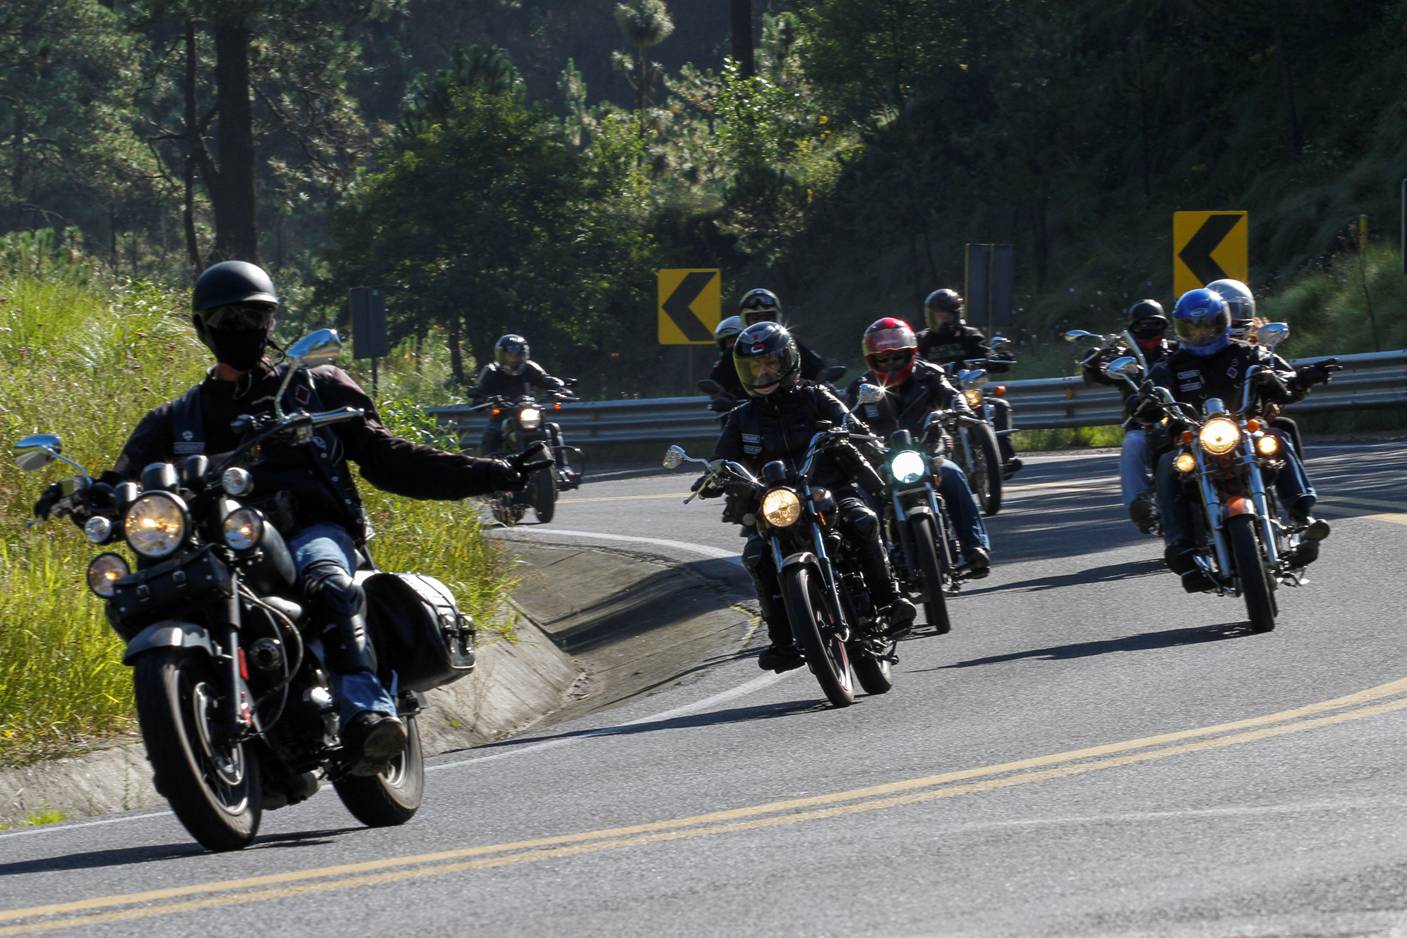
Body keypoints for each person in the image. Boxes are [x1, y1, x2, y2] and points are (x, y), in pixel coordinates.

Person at [34, 261, 538, 772]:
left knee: (329, 584)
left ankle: (368, 712)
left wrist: (493, 472)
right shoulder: (174, 419)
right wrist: (84, 494)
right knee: (140, 592)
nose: (243, 330)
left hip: (307, 531)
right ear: (203, 328)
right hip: (212, 548)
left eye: (255, 317)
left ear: (272, 322)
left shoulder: (314, 388)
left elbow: (392, 460)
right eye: (229, 320)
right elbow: (124, 478)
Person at [706, 321, 916, 671]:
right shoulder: (741, 417)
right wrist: (712, 475)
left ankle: (890, 600)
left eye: (770, 363)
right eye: (755, 367)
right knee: (757, 555)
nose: (763, 373)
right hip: (777, 503)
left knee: (862, 521)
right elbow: (720, 458)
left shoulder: (815, 396)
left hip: (830, 489)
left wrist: (853, 435)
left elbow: (853, 425)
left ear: (788, 361)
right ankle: (783, 642)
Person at [1129, 288, 1330, 591]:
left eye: (1207, 325)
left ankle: (1302, 516)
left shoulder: (1248, 353)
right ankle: (1180, 546)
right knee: (1168, 463)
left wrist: (1299, 378)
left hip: (1244, 432)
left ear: (1221, 323)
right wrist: (1142, 403)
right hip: (1195, 441)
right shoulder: (1170, 366)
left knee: (1275, 436)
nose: (1200, 333)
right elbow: (1148, 396)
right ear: (1180, 328)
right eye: (1191, 328)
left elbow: (1285, 382)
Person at [845, 317, 991, 574]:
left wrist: (961, 409)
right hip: (883, 460)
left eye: (897, 357)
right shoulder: (862, 387)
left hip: (928, 453)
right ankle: (873, 570)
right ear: (872, 360)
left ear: (910, 353)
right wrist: (846, 428)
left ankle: (974, 547)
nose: (891, 364)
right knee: (863, 503)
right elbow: (848, 416)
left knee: (954, 475)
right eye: (884, 359)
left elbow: (951, 393)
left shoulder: (930, 374)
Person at [1080, 299, 1177, 532]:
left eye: (1155, 324)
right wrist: (1095, 360)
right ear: (1133, 328)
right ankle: (1138, 504)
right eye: (1142, 326)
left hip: (1180, 419)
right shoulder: (1123, 358)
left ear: (1164, 326)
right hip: (1142, 422)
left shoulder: (1177, 351)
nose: (1149, 331)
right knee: (1132, 443)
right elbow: (1097, 374)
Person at [916, 288, 1020, 475]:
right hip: (939, 396)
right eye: (936, 316)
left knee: (1000, 406)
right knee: (921, 418)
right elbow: (912, 361)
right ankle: (924, 465)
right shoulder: (923, 340)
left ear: (955, 315)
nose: (940, 320)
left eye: (944, 316)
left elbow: (985, 353)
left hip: (968, 390)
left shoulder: (969, 335)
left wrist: (997, 359)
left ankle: (1004, 457)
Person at [474, 334, 569, 456]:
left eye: (519, 354)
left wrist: (559, 388)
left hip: (529, 411)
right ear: (501, 355)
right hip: (502, 416)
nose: (515, 358)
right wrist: (483, 399)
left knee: (552, 429)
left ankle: (562, 468)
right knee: (492, 434)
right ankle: (488, 471)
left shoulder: (529, 367)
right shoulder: (491, 371)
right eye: (510, 355)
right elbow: (478, 393)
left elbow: (545, 379)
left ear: (525, 354)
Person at [737, 287, 828, 380]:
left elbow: (819, 371)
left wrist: (818, 384)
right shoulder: (737, 349)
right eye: (755, 318)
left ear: (777, 317)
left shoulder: (790, 343)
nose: (762, 322)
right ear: (745, 320)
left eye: (768, 317)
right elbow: (721, 383)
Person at [706, 315, 746, 402]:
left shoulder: (758, 360)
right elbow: (717, 385)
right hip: (738, 409)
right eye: (729, 342)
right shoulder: (724, 365)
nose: (732, 346)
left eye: (734, 341)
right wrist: (720, 398)